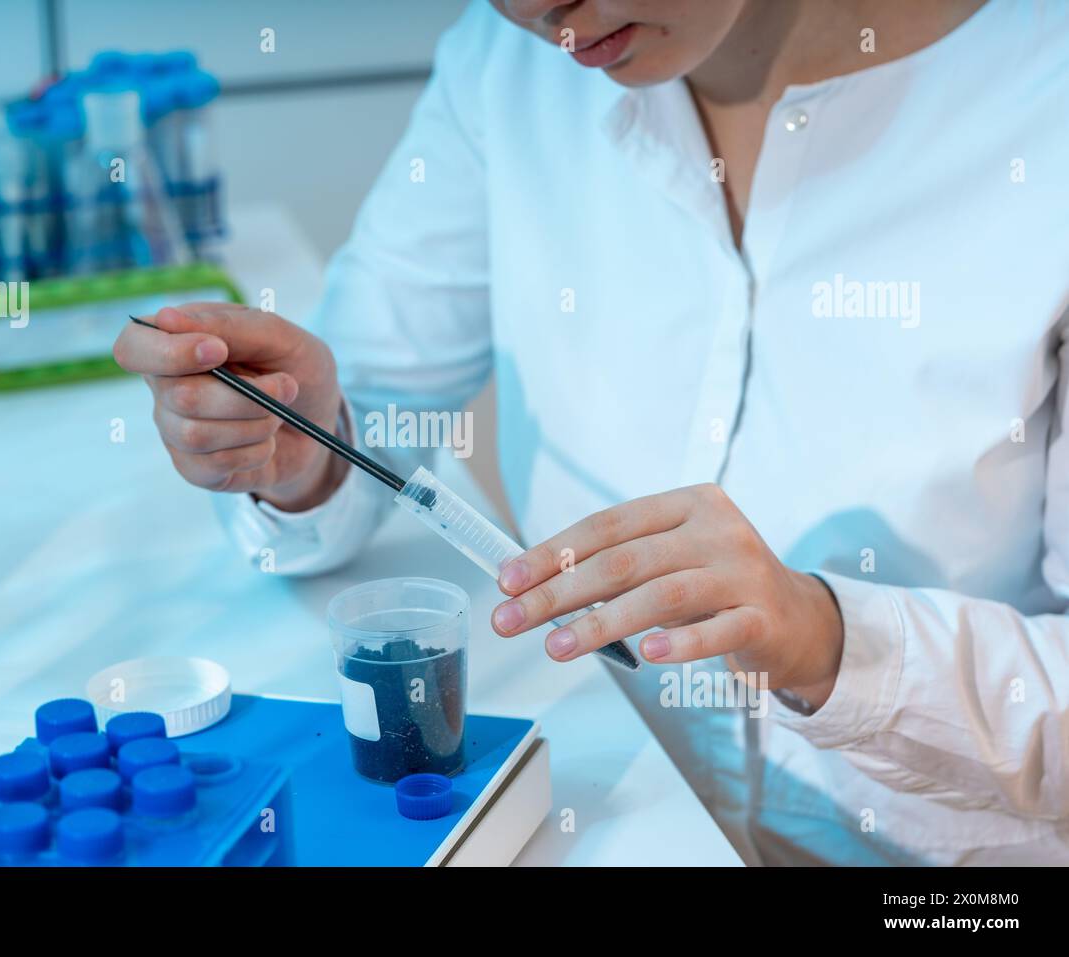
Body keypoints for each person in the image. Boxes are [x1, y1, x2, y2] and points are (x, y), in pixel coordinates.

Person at [114, 0, 1069, 865]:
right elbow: (369, 406)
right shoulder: (509, 65)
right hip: (600, 817)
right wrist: (308, 455)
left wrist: (826, 638)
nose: (540, 9)